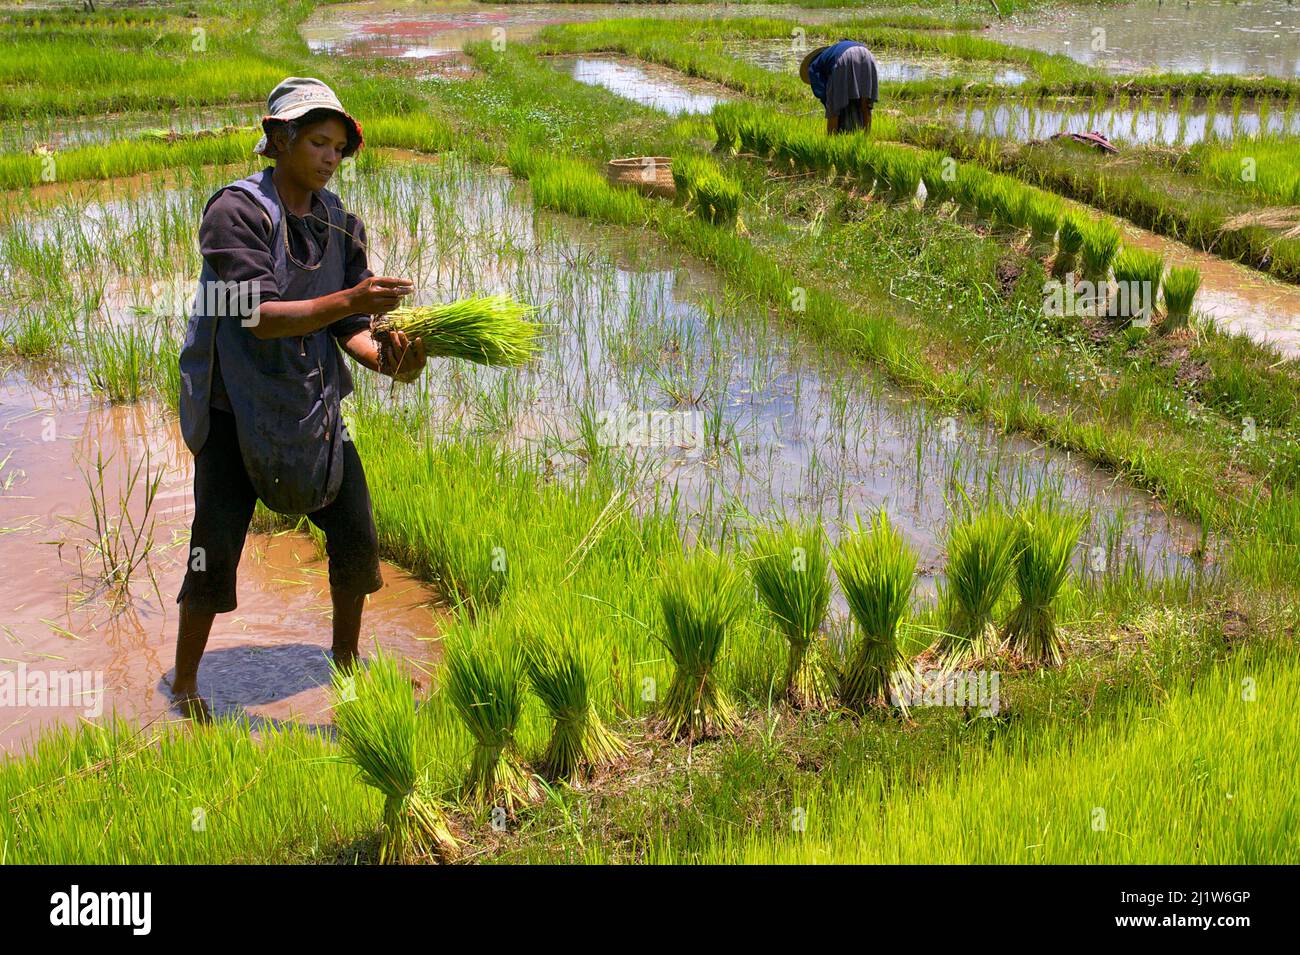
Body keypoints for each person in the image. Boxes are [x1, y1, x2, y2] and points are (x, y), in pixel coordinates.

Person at [171, 76, 427, 717]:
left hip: (311, 405)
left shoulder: (342, 225)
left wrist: (390, 360)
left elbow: (350, 330)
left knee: (356, 533)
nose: (329, 158)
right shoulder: (234, 214)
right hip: (235, 405)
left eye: (338, 148)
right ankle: (184, 686)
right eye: (317, 142)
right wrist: (351, 302)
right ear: (279, 138)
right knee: (214, 545)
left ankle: (345, 664)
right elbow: (256, 314)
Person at [799, 40, 879, 135]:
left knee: (834, 108)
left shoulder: (813, 66)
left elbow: (821, 91)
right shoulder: (831, 52)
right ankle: (867, 137)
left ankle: (831, 141)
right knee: (866, 103)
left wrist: (830, 103)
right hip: (867, 55)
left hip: (843, 58)